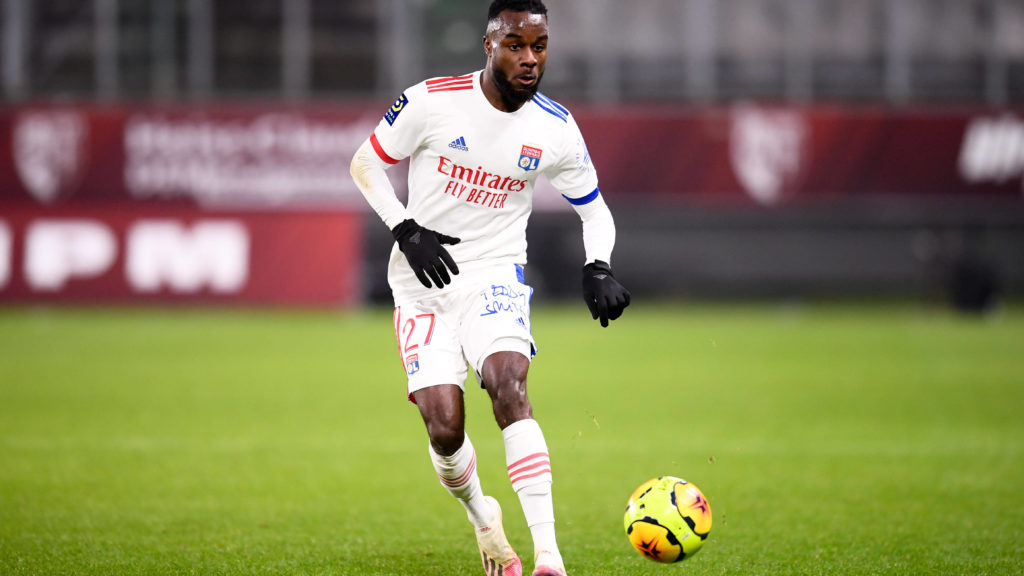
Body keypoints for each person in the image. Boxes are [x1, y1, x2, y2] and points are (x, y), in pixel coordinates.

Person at [349, 1, 629, 574]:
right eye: (516, 45)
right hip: (422, 283)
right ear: (489, 45)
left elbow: (595, 212)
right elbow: (364, 164)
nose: (529, 59)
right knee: (445, 427)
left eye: (540, 46)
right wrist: (406, 230)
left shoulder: (556, 128)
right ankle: (483, 518)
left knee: (509, 386)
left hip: (495, 272)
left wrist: (597, 265)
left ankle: (550, 557)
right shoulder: (431, 101)